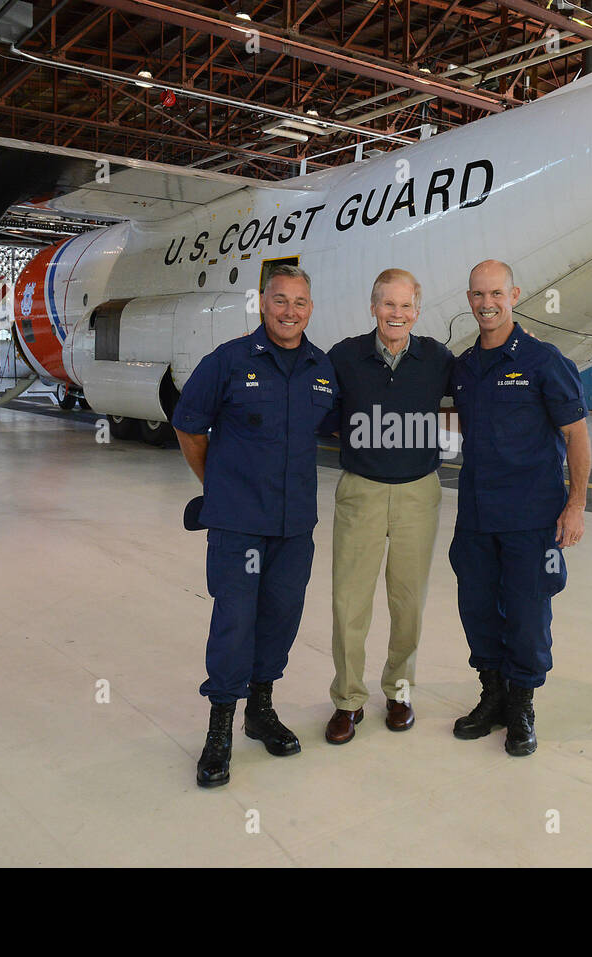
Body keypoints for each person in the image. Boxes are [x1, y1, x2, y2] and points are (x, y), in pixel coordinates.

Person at [171, 264, 339, 788]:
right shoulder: (227, 361)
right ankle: (219, 727)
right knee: (234, 621)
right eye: (281, 300)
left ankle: (260, 710)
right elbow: (188, 424)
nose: (290, 311)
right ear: (263, 304)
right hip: (239, 524)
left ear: (311, 309)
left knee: (280, 618)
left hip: (294, 527)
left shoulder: (321, 368)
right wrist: (217, 484)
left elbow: (332, 425)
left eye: (300, 303)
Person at [447, 259, 591, 756]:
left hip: (532, 518)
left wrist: (576, 505)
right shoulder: (463, 367)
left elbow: (576, 436)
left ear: (514, 295)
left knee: (529, 614)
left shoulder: (543, 360)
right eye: (478, 295)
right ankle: (493, 697)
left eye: (496, 294)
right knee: (478, 609)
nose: (487, 304)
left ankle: (522, 705)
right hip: (477, 516)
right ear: (469, 299)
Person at [323, 268, 454, 744]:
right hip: (361, 490)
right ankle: (348, 700)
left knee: (408, 601)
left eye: (405, 306)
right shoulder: (344, 357)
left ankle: (399, 692)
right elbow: (321, 412)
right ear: (373, 306)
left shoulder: (438, 359)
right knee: (349, 600)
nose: (397, 314)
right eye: (388, 304)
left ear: (417, 311)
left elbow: (471, 403)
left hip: (419, 491)